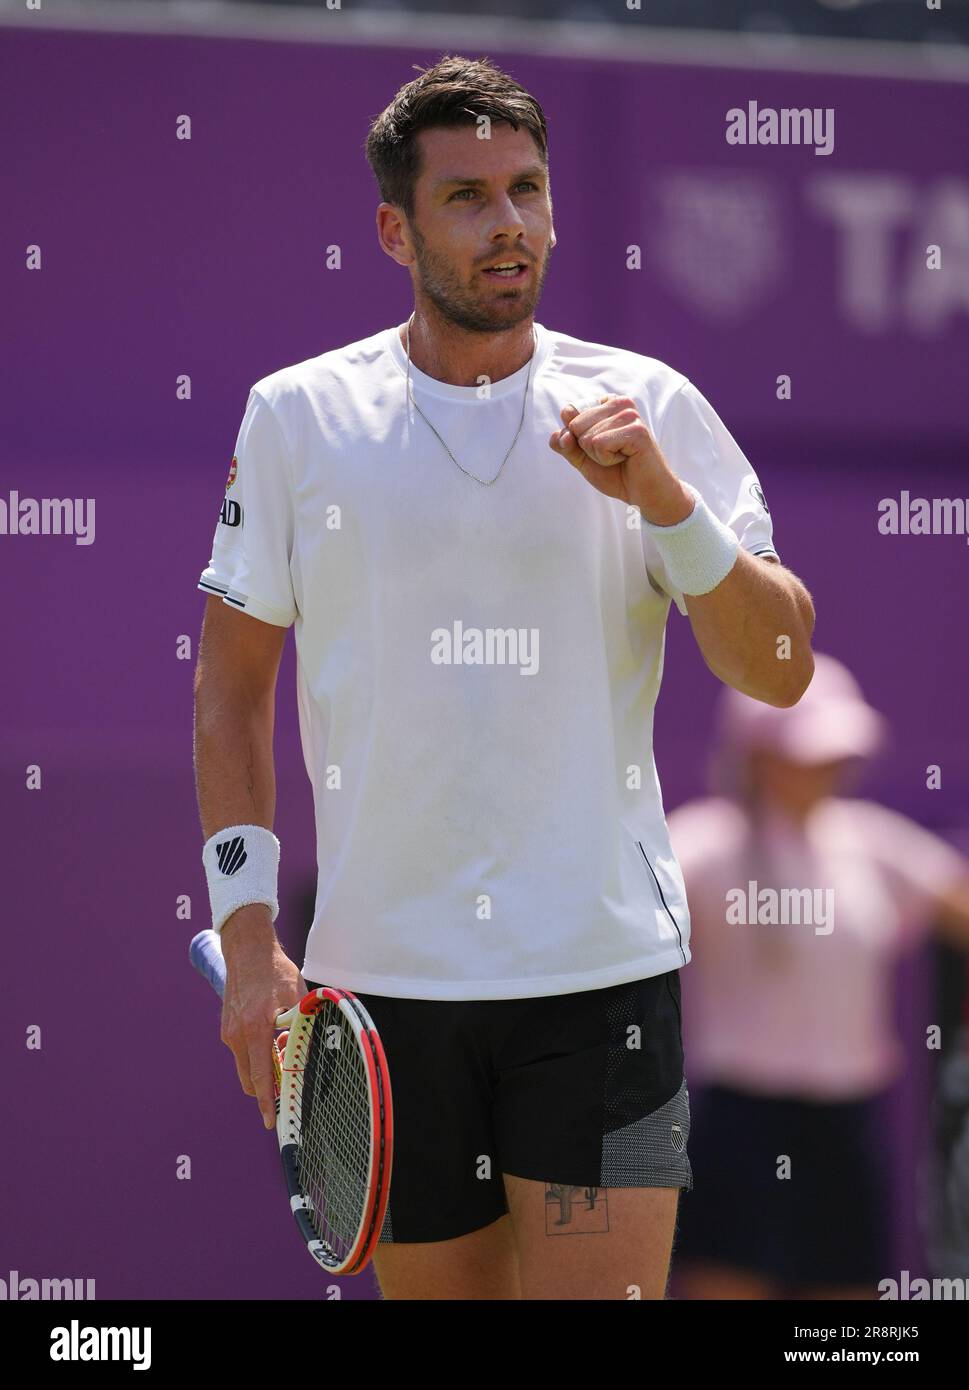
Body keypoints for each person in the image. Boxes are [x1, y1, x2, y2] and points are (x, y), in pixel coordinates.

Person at [192, 54, 815, 1301]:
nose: (510, 224)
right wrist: (251, 932)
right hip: (385, 997)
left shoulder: (649, 408)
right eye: (469, 196)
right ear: (395, 228)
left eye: (528, 189)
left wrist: (669, 507)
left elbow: (783, 663)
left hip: (603, 984)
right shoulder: (297, 416)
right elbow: (230, 688)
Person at [668, 653, 969, 1300]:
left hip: (846, 1126)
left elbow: (958, 909)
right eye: (804, 753)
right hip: (736, 1125)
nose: (823, 768)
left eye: (831, 753)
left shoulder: (872, 844)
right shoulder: (697, 846)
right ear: (754, 756)